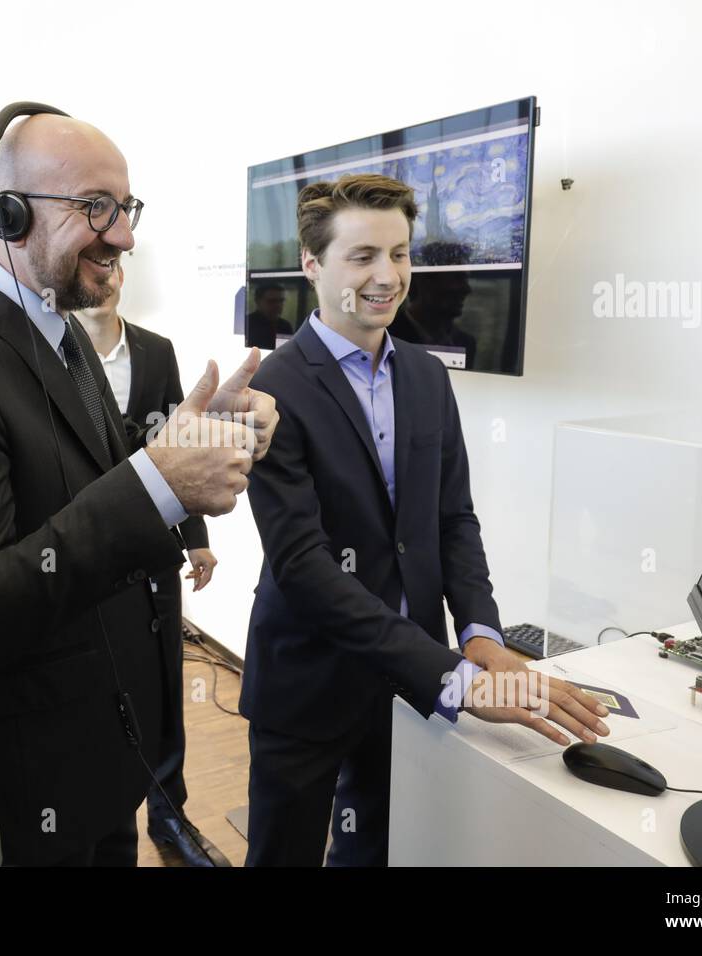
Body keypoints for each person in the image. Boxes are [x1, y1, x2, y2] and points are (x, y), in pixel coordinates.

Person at [0, 103, 278, 866]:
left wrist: (189, 439)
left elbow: (88, 479)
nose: (123, 235)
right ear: (11, 213)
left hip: (106, 753)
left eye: (125, 208)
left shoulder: (61, 331)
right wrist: (161, 481)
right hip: (31, 779)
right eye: (96, 208)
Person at [241, 173, 609, 866]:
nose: (388, 276)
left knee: (383, 849)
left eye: (401, 254)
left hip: (411, 677)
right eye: (363, 257)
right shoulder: (273, 389)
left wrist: (480, 634)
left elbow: (452, 518)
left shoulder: (426, 374)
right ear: (313, 265)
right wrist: (457, 679)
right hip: (309, 684)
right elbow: (304, 567)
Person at [74, 259, 229, 866]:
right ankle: (102, 813)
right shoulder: (51, 354)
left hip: (155, 546)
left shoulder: (157, 352)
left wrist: (195, 538)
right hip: (84, 551)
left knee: (166, 688)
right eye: (94, 265)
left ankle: (170, 817)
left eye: (114, 266)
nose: (106, 276)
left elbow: (180, 450)